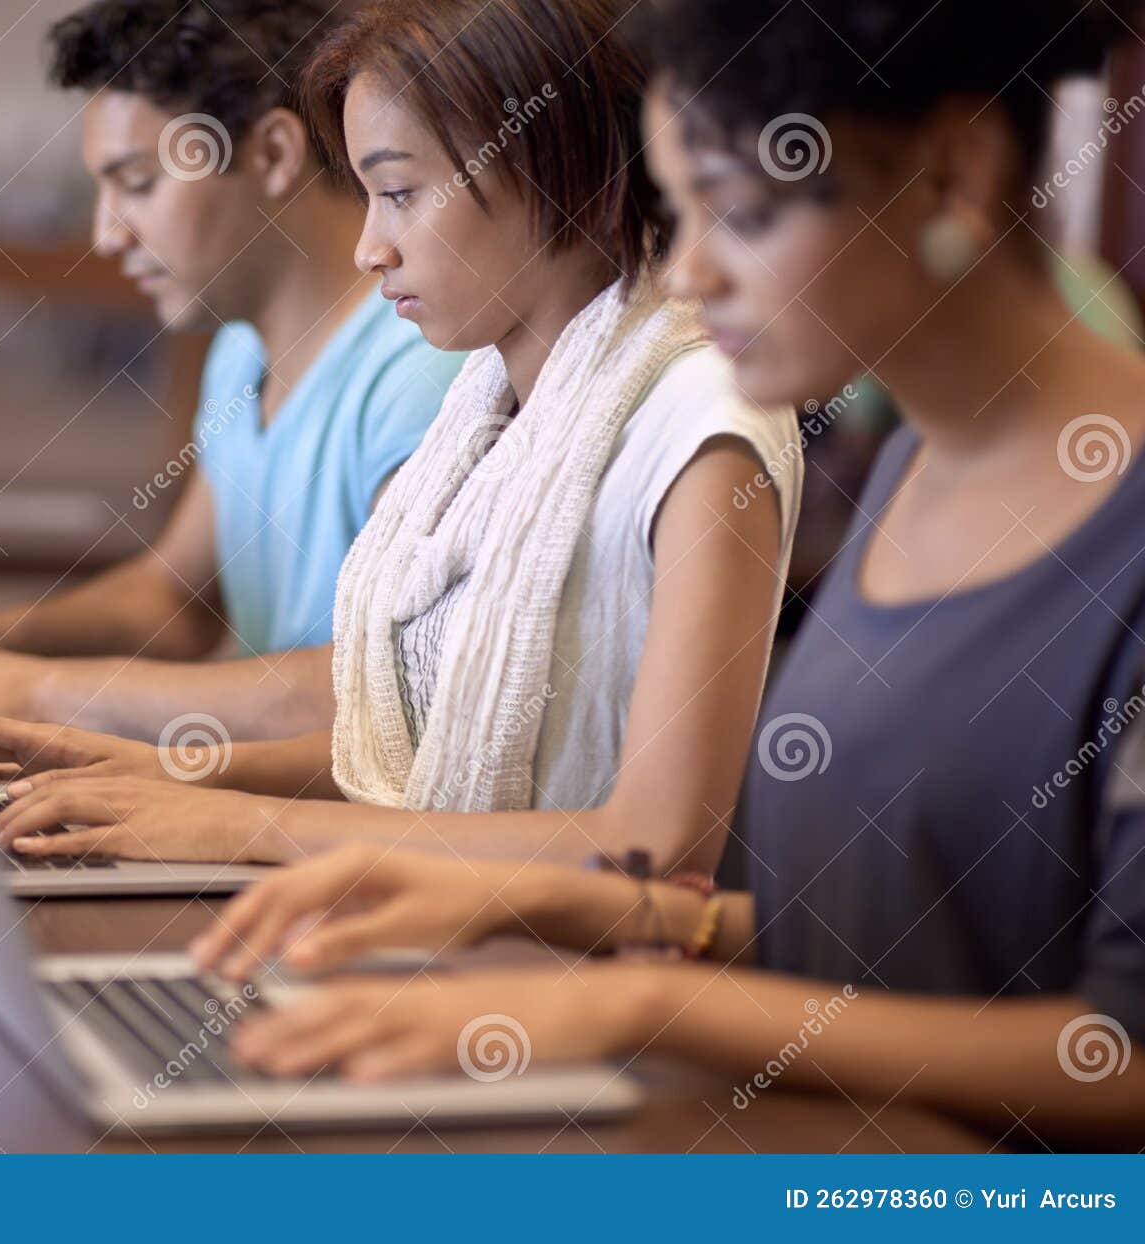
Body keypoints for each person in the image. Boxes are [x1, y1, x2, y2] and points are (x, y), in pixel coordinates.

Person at [186, 0, 1145, 1149]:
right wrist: (551, 900)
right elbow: (886, 938)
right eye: (678, 210)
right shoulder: (914, 470)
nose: (687, 271)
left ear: (951, 175)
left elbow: (1115, 1055)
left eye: (736, 213)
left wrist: (642, 995)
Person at [0, 0, 802, 878]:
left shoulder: (700, 423)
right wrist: (159, 773)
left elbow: (656, 852)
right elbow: (405, 754)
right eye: (369, 196)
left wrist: (241, 823)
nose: (369, 248)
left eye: (398, 193)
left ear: (558, 168)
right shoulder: (490, 412)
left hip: (551, 987)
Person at [0, 0, 464, 741]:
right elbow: (177, 601)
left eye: (139, 182)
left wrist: (37, 693)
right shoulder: (240, 348)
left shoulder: (422, 372)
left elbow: (389, 692)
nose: (107, 234)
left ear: (273, 155)